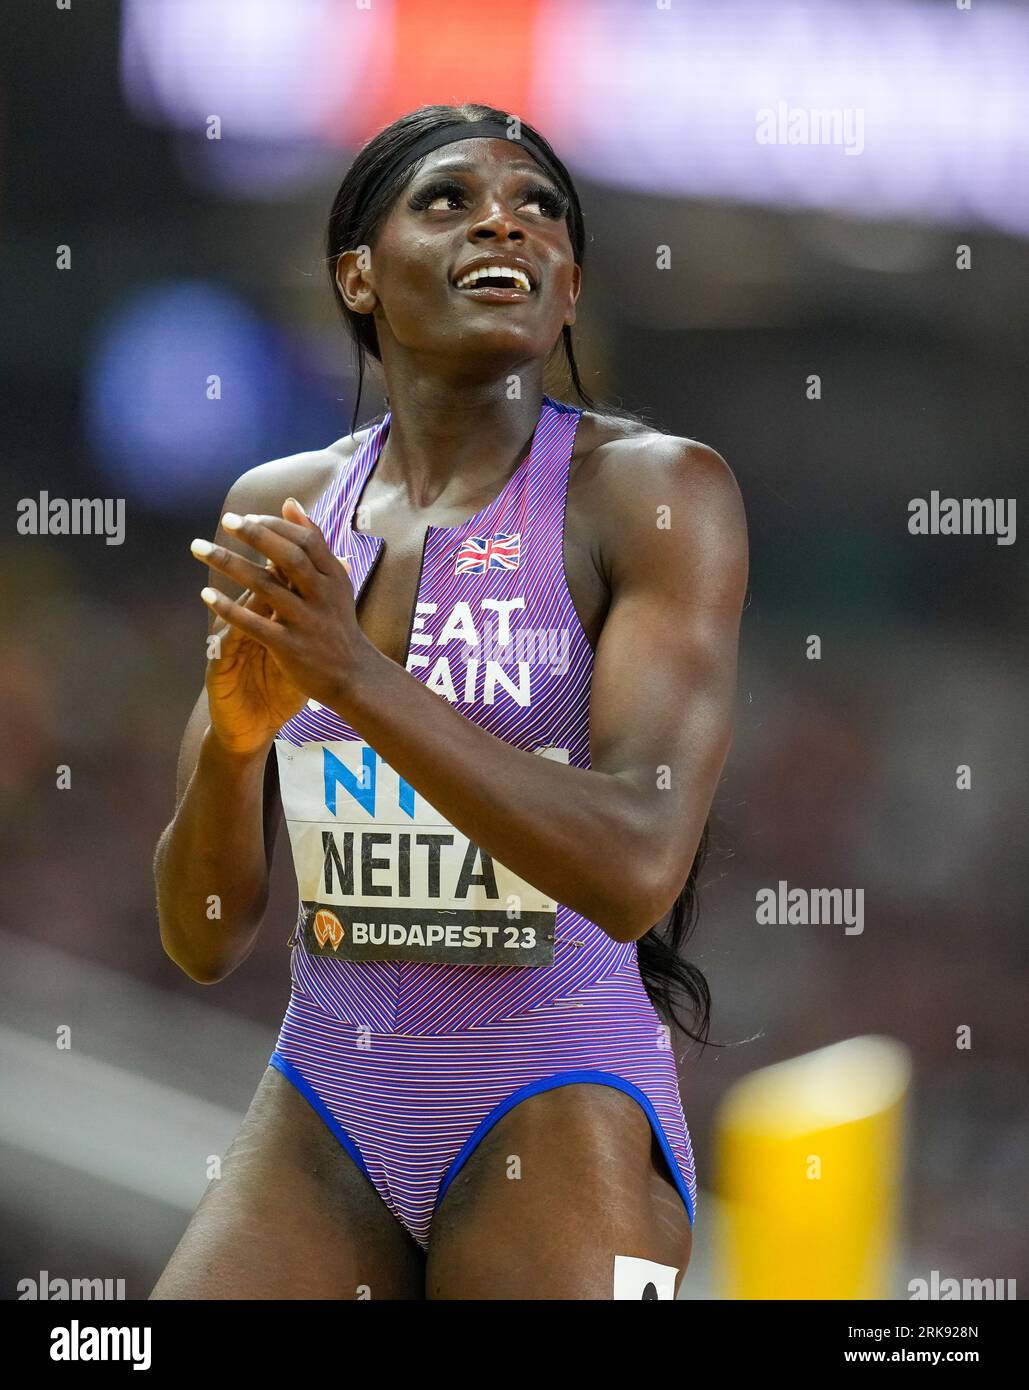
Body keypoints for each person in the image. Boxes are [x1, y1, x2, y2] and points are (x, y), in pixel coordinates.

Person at [150, 103, 748, 1301]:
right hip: (328, 1097)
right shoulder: (283, 505)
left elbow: (638, 868)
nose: (503, 223)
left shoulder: (653, 493)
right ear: (357, 276)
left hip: (557, 1089)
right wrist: (231, 743)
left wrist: (353, 679)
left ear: (569, 288)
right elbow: (206, 935)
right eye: (449, 200)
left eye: (539, 212)